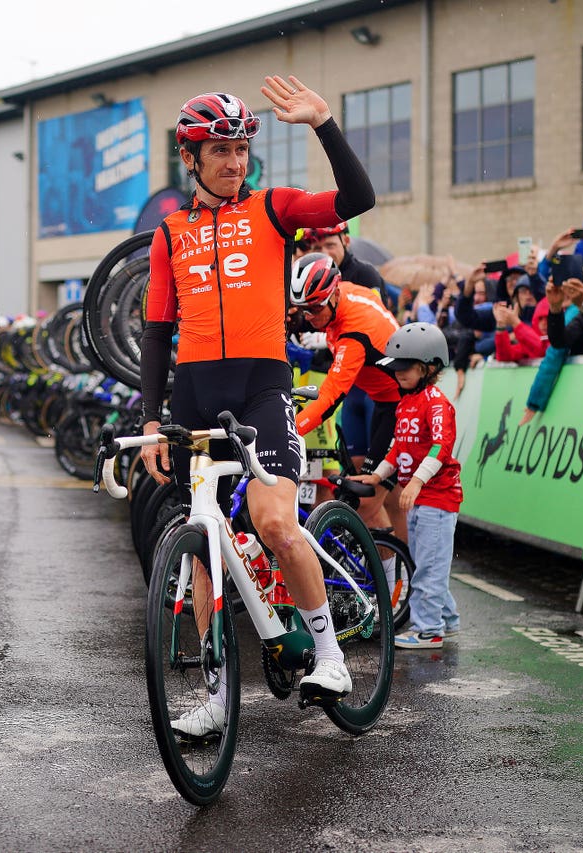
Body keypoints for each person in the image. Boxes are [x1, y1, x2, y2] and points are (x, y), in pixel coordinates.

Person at [139, 77, 377, 730]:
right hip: (194, 396)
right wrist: (151, 418)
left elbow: (358, 198)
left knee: (274, 523)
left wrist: (323, 123)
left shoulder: (275, 208)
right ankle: (218, 697)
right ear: (190, 157)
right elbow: (157, 333)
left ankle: (331, 656)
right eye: (220, 149)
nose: (234, 161)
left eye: (241, 148)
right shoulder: (169, 234)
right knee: (202, 549)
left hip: (260, 390)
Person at [287, 252, 406, 543]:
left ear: (335, 294)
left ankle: (394, 572)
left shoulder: (354, 331)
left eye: (315, 308)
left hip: (399, 406)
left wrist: (290, 430)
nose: (310, 317)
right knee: (386, 499)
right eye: (303, 309)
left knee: (366, 503)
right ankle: (394, 566)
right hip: (378, 398)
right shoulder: (343, 293)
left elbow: (329, 398)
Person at [359, 322, 462, 650]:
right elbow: (397, 447)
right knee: (425, 562)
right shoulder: (405, 403)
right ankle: (447, 619)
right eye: (396, 367)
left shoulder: (436, 402)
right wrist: (377, 476)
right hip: (420, 499)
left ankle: (429, 630)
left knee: (429, 566)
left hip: (437, 498)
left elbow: (441, 446)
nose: (398, 373)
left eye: (406, 367)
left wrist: (416, 481)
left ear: (429, 367)